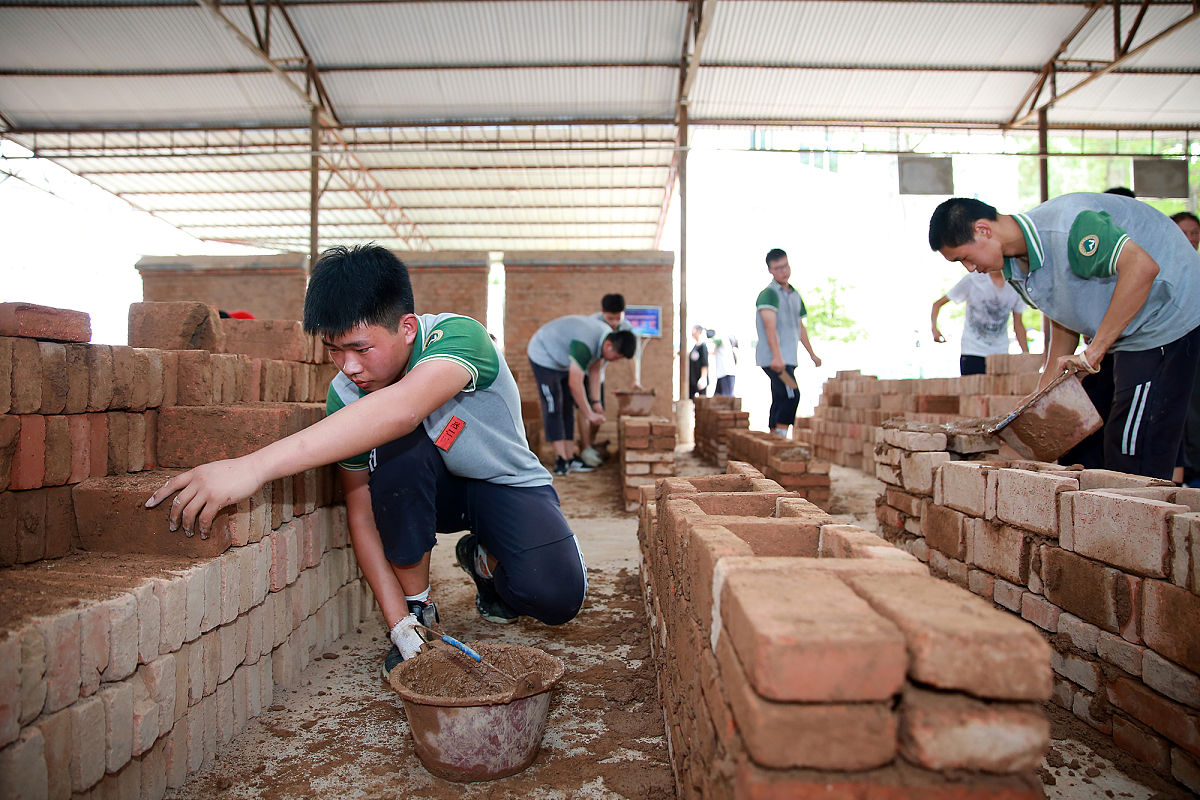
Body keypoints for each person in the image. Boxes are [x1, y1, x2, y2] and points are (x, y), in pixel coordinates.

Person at [146, 245, 590, 678]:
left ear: (408, 328)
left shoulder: (458, 336)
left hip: (503, 483)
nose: (349, 366)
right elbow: (362, 515)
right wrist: (399, 624)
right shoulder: (345, 394)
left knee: (555, 595)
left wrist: (252, 467)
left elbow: (404, 407)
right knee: (398, 448)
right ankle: (421, 609)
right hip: (430, 492)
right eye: (335, 350)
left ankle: (482, 561)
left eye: (361, 348)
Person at [929, 194, 1200, 480]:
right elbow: (1063, 317)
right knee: (1084, 440)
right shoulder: (1015, 266)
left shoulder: (1068, 226)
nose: (970, 269)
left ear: (983, 230)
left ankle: (1136, 515)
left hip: (1167, 314)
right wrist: (1041, 395)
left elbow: (1142, 268)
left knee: (1132, 445)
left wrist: (1095, 350)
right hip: (1126, 328)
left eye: (965, 258)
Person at [527, 313, 637, 476]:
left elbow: (594, 370)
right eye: (618, 357)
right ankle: (561, 459)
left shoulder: (605, 338)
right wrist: (589, 414)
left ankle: (570, 457)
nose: (617, 361)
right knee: (553, 404)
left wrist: (596, 402)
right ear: (609, 346)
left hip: (563, 360)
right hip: (544, 354)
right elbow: (575, 383)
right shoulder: (585, 344)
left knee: (567, 406)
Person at [756, 248, 821, 437]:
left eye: (785, 266)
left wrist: (812, 354)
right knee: (792, 394)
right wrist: (777, 357)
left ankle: (773, 437)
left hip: (788, 358)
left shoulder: (794, 294)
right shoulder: (768, 294)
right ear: (770, 270)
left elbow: (799, 327)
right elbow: (770, 327)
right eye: (778, 268)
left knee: (780, 396)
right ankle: (780, 440)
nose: (783, 271)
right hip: (775, 360)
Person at [930, 271, 1029, 375]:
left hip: (1000, 353)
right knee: (972, 389)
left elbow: (1018, 324)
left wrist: (1026, 354)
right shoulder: (973, 280)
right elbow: (937, 304)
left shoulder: (1016, 285)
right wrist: (934, 329)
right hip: (972, 351)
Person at [580, 293, 635, 465]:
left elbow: (632, 355)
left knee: (599, 411)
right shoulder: (591, 323)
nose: (614, 323)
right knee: (583, 410)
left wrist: (635, 379)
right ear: (602, 312)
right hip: (582, 371)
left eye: (617, 318)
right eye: (610, 318)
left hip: (598, 375)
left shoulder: (625, 327)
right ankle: (584, 449)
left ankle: (589, 443)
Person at [709, 331, 739, 396]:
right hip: (722, 374)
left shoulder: (722, 339)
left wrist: (704, 339)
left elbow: (716, 341)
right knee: (718, 396)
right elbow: (713, 352)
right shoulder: (722, 345)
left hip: (726, 373)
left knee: (727, 397)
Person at [688, 324, 709, 398]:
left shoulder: (702, 346)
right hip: (692, 380)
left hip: (699, 379)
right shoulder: (695, 346)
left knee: (702, 400)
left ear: (698, 331)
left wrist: (703, 377)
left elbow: (705, 363)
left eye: (693, 330)